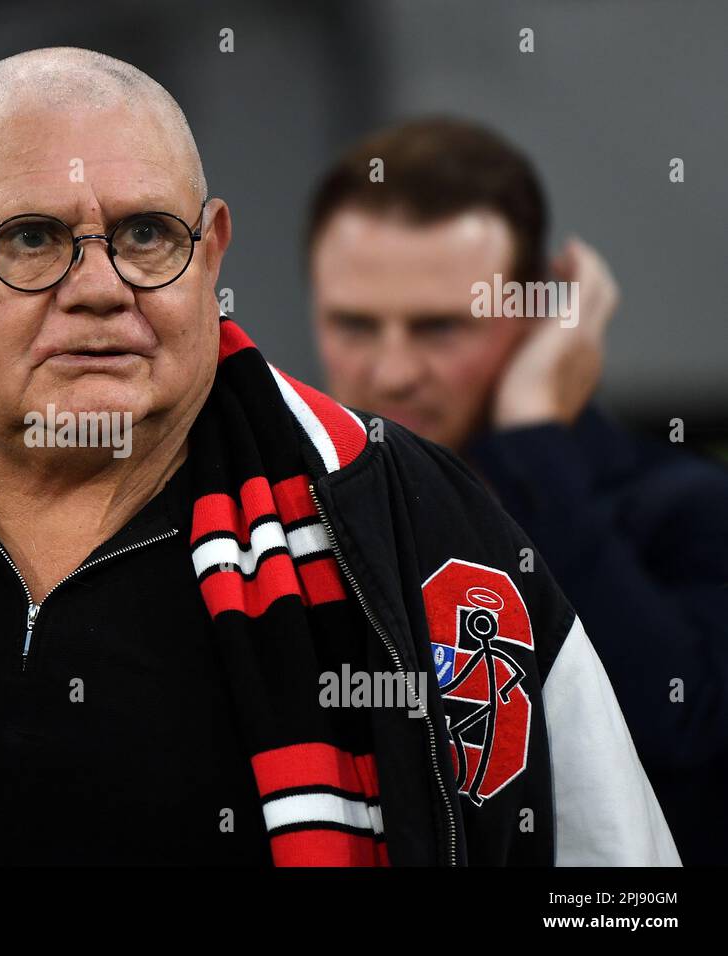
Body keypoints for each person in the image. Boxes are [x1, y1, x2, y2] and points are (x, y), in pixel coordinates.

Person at [0, 50, 676, 867]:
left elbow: (613, 875)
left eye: (147, 235)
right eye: (32, 239)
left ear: (214, 253)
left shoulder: (416, 531)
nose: (99, 285)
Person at [305, 116, 728, 864]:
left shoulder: (682, 510)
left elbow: (680, 759)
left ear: (536, 317)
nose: (392, 371)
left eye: (440, 328)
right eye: (355, 324)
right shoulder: (289, 516)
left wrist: (533, 432)